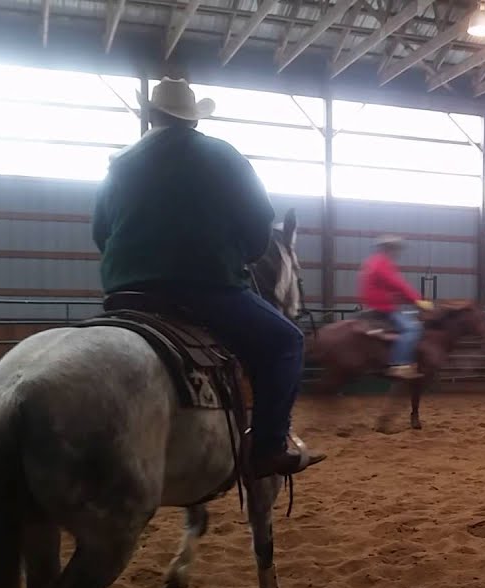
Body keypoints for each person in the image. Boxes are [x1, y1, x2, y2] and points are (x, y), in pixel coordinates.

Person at [91, 77, 319, 479]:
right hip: (204, 287)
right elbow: (258, 224)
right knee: (287, 342)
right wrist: (240, 256)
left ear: (151, 115)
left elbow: (100, 232)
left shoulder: (120, 163)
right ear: (193, 120)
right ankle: (267, 447)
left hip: (125, 293)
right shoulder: (220, 155)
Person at [357, 235, 433, 379]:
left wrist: (408, 300)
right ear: (389, 249)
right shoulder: (382, 264)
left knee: (409, 317)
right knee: (413, 328)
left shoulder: (371, 263)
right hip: (383, 308)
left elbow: (391, 288)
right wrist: (418, 301)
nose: (398, 253)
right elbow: (398, 285)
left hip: (375, 305)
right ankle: (400, 364)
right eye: (396, 249)